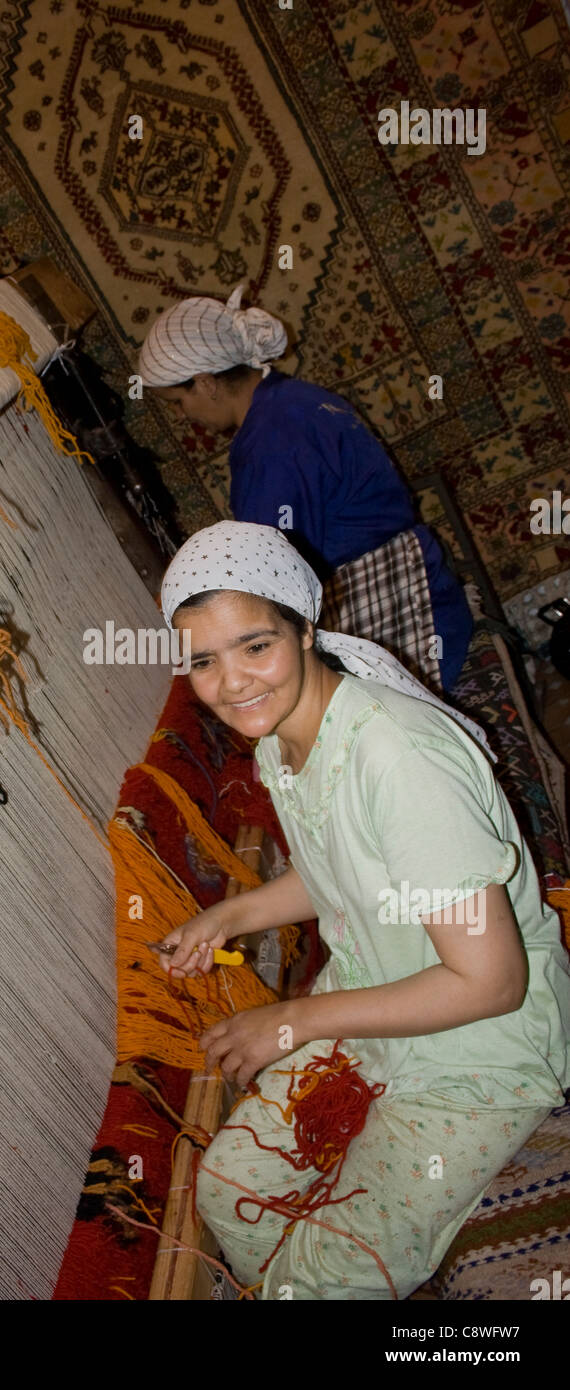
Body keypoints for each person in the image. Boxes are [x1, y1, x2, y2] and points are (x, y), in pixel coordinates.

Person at [154, 520, 570, 1300]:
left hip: (476, 1056)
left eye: (255, 646)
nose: (232, 682)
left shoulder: (398, 759)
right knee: (228, 1192)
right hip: (378, 1022)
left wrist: (297, 1022)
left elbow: (491, 983)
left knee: (314, 1279)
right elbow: (343, 869)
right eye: (203, 661)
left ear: (306, 628)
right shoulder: (281, 739)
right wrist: (229, 919)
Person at [139, 289, 473, 691]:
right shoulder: (293, 399)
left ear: (207, 383)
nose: (182, 417)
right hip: (428, 589)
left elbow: (270, 575)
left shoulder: (272, 442)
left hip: (407, 610)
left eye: (177, 402)